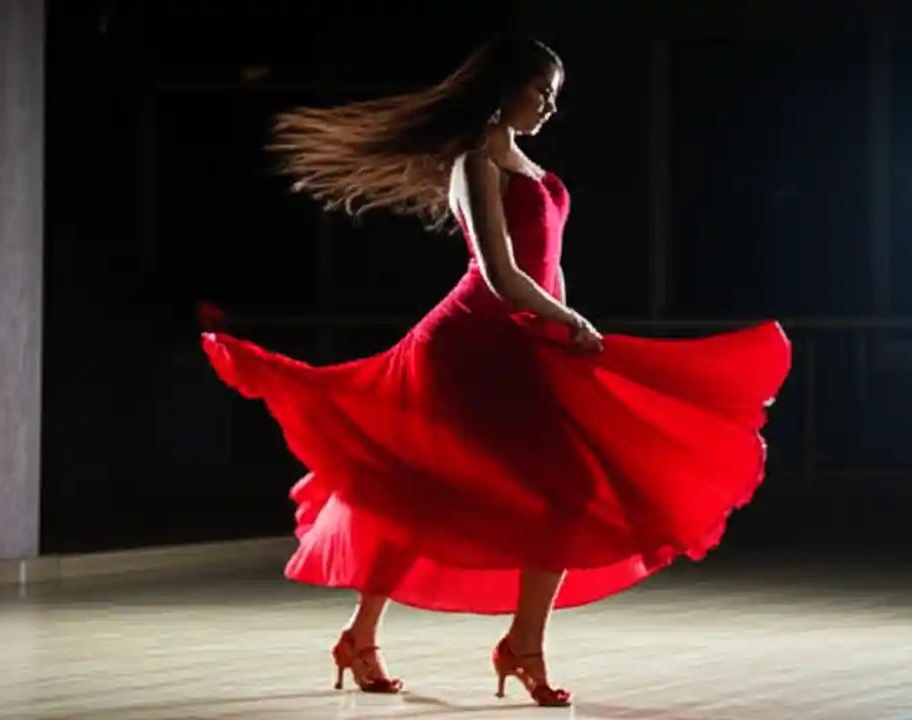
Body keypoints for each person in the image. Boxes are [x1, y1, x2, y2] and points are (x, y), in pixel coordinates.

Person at [201, 36, 791, 707]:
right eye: (539, 90)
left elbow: (546, 267)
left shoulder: (524, 161)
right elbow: (500, 275)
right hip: (469, 344)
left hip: (525, 336)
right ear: (503, 88)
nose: (548, 105)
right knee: (429, 489)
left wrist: (563, 321)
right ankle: (386, 638)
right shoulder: (475, 158)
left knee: (541, 492)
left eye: (555, 94)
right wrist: (566, 322)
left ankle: (505, 645)